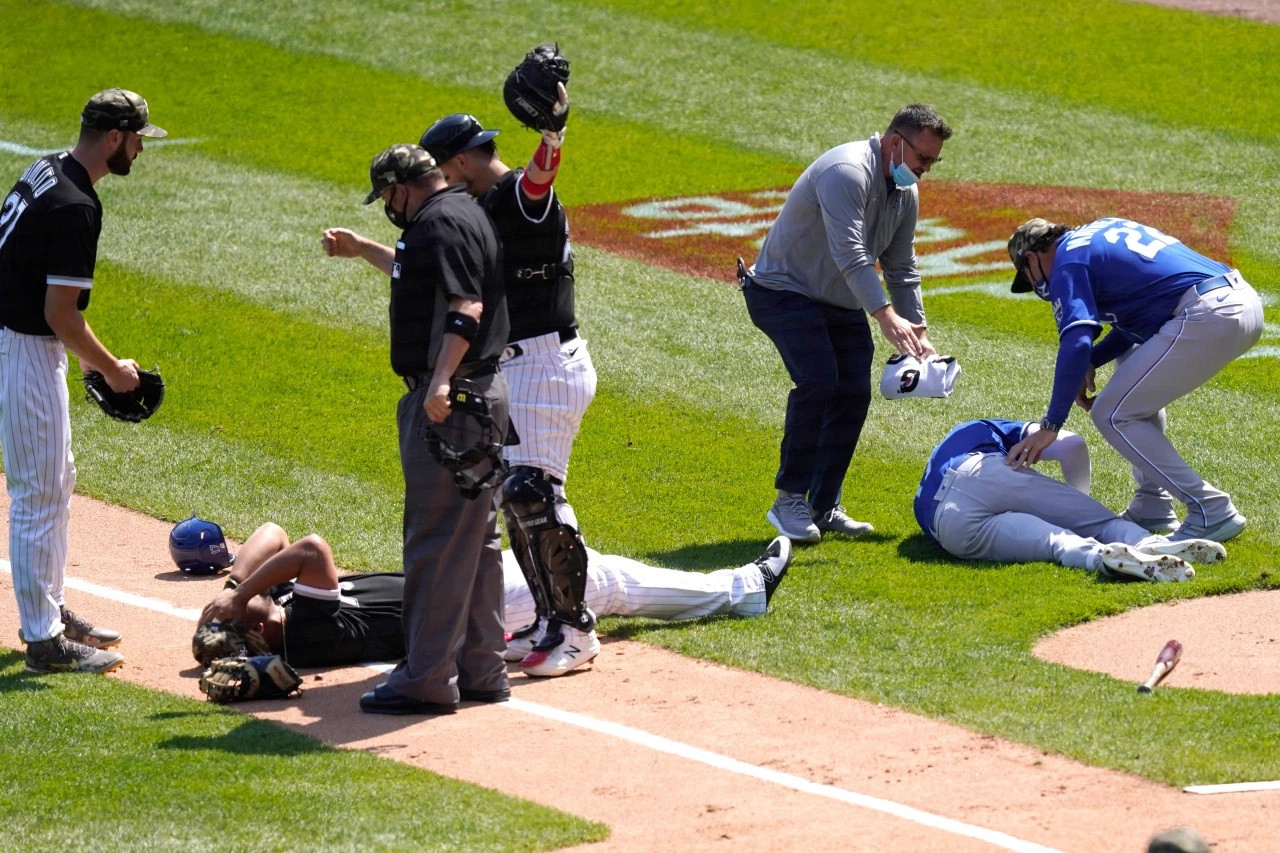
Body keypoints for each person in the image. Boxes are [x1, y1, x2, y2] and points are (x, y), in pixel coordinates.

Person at [321, 144, 510, 714]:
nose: (387, 205)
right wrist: (363, 249)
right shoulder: (462, 210)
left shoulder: (438, 223)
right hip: (480, 395)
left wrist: (440, 382)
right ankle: (481, 668)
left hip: (451, 403)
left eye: (386, 195)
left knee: (435, 540)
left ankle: (426, 679)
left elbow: (465, 306)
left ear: (401, 188)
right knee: (476, 540)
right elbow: (424, 278)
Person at [419, 97, 599, 677]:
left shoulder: (515, 196)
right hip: (522, 366)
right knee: (517, 500)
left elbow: (540, 180)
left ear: (462, 161)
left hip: (546, 364)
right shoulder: (484, 206)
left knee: (536, 494)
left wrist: (552, 135)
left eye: (440, 170)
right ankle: (550, 620)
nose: (439, 185)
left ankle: (576, 630)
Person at [0, 88, 166, 675]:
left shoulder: (47, 168)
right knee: (38, 494)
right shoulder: (76, 206)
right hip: (24, 348)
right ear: (115, 136)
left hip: (17, 338)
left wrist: (93, 360)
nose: (141, 148)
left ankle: (49, 607)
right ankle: (44, 642)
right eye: (138, 138)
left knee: (56, 478)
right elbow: (60, 314)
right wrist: (111, 368)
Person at [742, 103, 952, 544]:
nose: (925, 170)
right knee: (819, 380)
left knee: (853, 393)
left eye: (933, 162)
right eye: (923, 158)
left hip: (838, 300)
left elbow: (901, 266)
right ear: (896, 143)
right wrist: (885, 316)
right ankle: (789, 501)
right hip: (783, 292)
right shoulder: (846, 171)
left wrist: (918, 332)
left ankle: (823, 505)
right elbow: (851, 253)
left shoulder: (905, 191)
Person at [194, 523, 794, 671]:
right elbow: (307, 547)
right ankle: (743, 590)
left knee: (580, 563)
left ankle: (739, 590)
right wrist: (239, 598)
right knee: (599, 581)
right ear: (259, 628)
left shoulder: (282, 603)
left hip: (465, 584)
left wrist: (230, 593)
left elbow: (271, 532)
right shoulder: (306, 632)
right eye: (245, 612)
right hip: (477, 607)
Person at [1005, 217, 1263, 543]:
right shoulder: (1097, 235)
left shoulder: (1067, 261)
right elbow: (1135, 323)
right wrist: (1092, 361)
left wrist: (1050, 425)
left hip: (1207, 313)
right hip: (1237, 301)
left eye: (1027, 278)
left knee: (1113, 414)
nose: (1034, 288)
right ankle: (1152, 505)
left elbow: (1076, 340)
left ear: (1031, 258)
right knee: (1129, 367)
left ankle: (1211, 509)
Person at [916, 419, 1226, 581]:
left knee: (1057, 543)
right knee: (1101, 524)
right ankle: (1149, 543)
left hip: (947, 527)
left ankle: (1102, 559)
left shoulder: (934, 471)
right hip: (980, 472)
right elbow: (1071, 445)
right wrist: (1078, 510)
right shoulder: (982, 427)